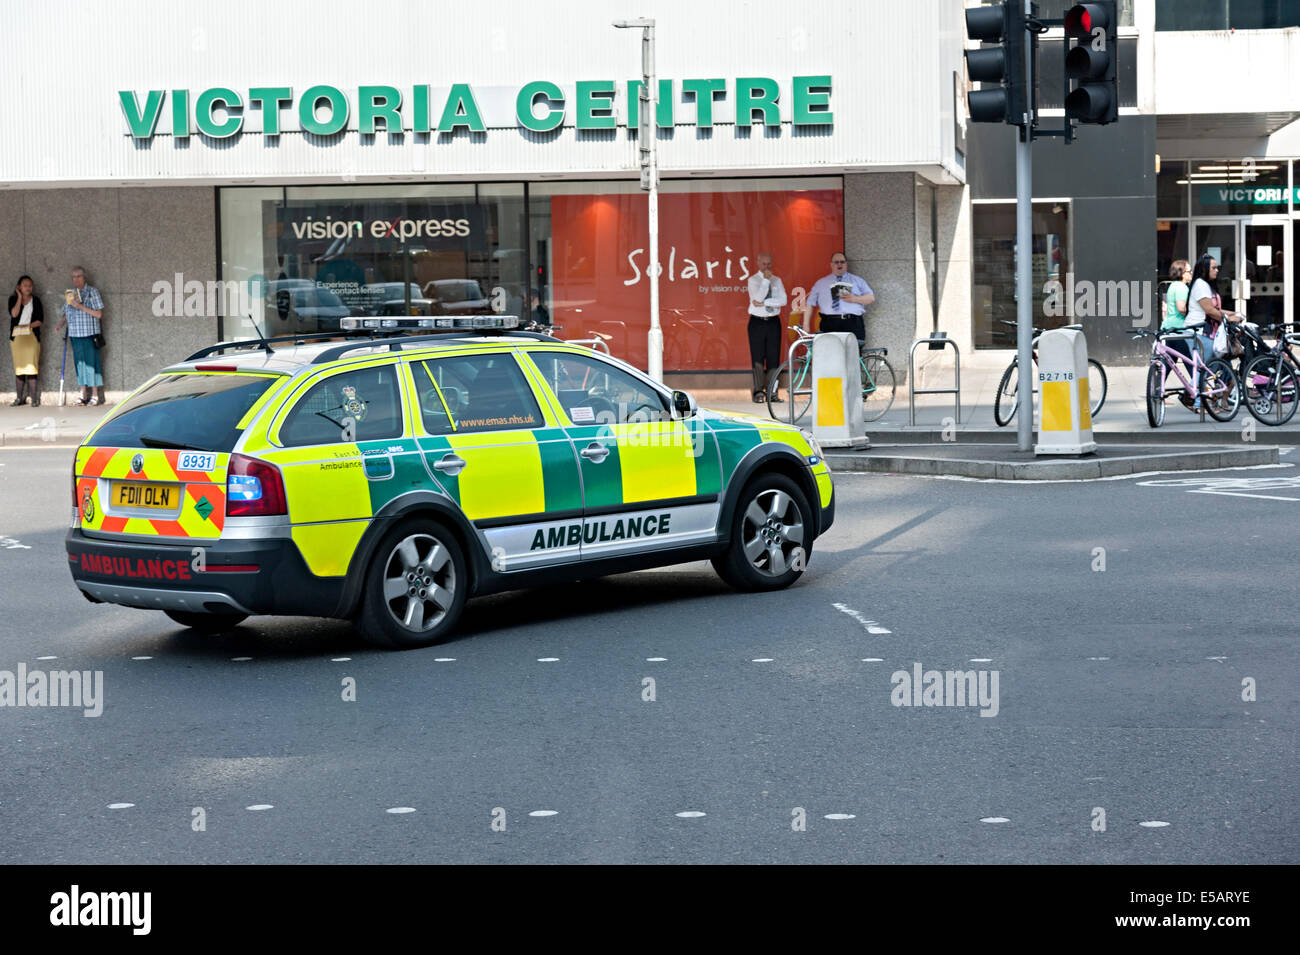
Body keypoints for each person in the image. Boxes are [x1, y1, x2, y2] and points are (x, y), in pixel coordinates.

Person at [54, 266, 106, 406]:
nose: (76, 279)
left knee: (92, 364)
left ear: (84, 277)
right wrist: (60, 324)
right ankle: (83, 394)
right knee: (80, 364)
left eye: (78, 276)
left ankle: (95, 395)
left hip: (90, 334)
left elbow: (99, 314)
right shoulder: (70, 293)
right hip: (75, 334)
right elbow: (66, 312)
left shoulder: (92, 292)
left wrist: (80, 307)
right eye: (73, 277)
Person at [805, 252, 874, 343]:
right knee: (830, 354)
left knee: (853, 354)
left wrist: (855, 299)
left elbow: (871, 298)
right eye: (836, 262)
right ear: (831, 264)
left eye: (842, 262)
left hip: (852, 322)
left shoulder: (857, 281)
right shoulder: (821, 283)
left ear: (846, 264)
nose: (839, 264)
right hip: (829, 323)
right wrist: (806, 324)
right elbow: (810, 303)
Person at [745, 253, 786, 403]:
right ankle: (758, 391)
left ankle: (772, 392)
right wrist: (766, 281)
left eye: (769, 264)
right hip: (757, 322)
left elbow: (783, 300)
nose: (766, 267)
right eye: (764, 264)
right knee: (757, 357)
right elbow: (757, 299)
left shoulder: (778, 280)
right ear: (758, 263)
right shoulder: (753, 280)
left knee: (774, 357)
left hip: (773, 322)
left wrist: (765, 304)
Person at [8, 275, 44, 406]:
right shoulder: (12, 299)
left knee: (31, 368)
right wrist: (19, 297)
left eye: (30, 285)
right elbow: (14, 314)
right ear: (19, 287)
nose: (28, 288)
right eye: (25, 285)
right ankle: (19, 398)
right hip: (17, 339)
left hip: (31, 337)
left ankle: (34, 399)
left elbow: (40, 320)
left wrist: (28, 326)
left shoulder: (36, 301)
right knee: (19, 369)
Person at [1160, 259, 1190, 331]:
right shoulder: (1181, 287)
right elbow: (1181, 308)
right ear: (1182, 273)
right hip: (1179, 328)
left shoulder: (1173, 285)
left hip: (1170, 326)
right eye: (1189, 271)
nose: (1191, 273)